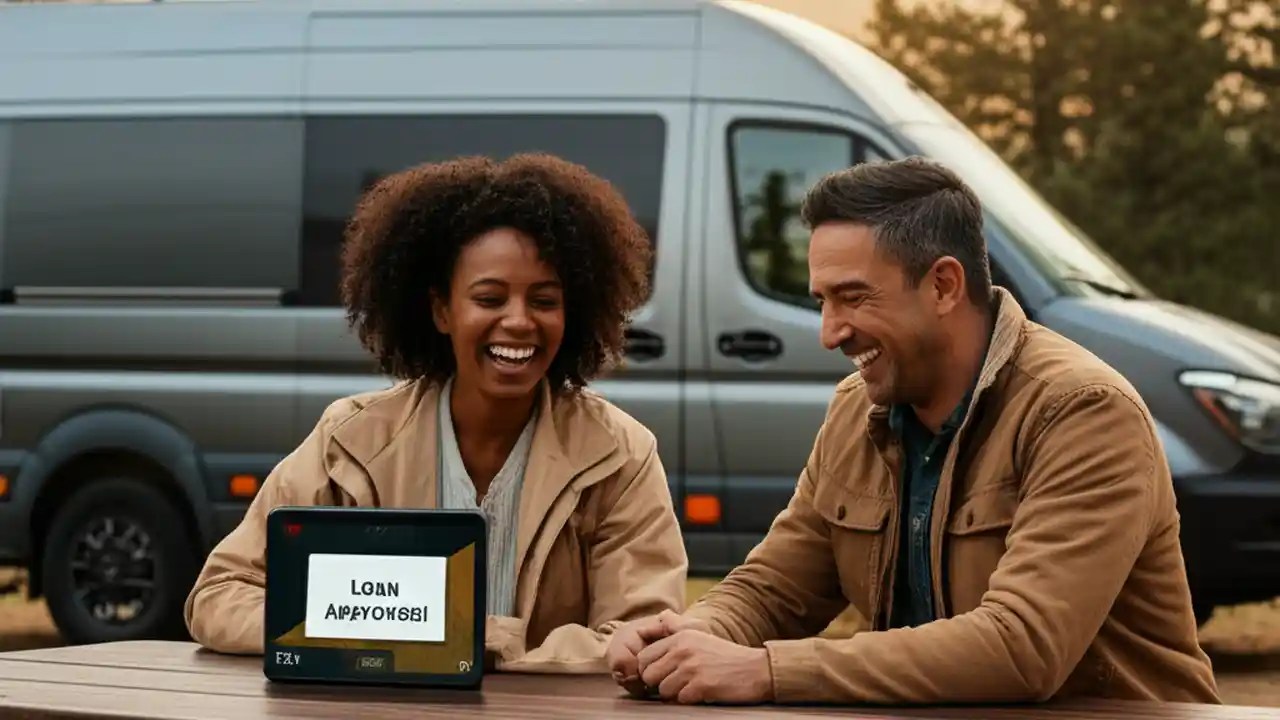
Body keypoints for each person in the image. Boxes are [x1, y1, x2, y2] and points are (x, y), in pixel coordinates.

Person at [606, 156, 1221, 705]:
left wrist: (766, 670)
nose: (830, 332)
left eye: (853, 297)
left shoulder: (1082, 412)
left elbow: (1022, 647)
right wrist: (688, 638)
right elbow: (774, 588)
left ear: (944, 285)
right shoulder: (856, 408)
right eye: (822, 300)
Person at [185, 153, 688, 673]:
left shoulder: (619, 455)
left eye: (544, 301)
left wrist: (483, 644)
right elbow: (221, 595)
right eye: (489, 298)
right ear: (441, 311)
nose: (519, 321)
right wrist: (404, 633)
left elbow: (644, 637)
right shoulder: (352, 441)